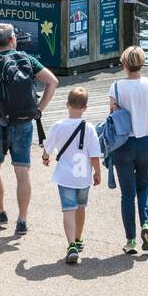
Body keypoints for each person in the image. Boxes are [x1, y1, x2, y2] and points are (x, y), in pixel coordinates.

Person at [0, 23, 59, 236]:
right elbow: (52, 82)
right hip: (24, 122)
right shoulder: (26, 59)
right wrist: (39, 109)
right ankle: (22, 220)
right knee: (22, 171)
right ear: (12, 40)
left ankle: (0, 211)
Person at [108, 46, 148, 255]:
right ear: (142, 63)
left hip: (124, 145)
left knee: (127, 194)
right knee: (144, 188)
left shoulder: (116, 87)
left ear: (124, 64)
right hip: (147, 143)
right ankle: (146, 225)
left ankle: (131, 240)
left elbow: (112, 118)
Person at [41, 87, 102, 265]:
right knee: (81, 207)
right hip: (83, 176)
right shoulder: (89, 128)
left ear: (67, 105)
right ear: (85, 107)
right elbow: (94, 155)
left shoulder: (58, 126)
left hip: (65, 176)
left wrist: (45, 158)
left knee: (68, 209)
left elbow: (48, 148)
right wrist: (97, 173)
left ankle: (71, 245)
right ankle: (78, 238)